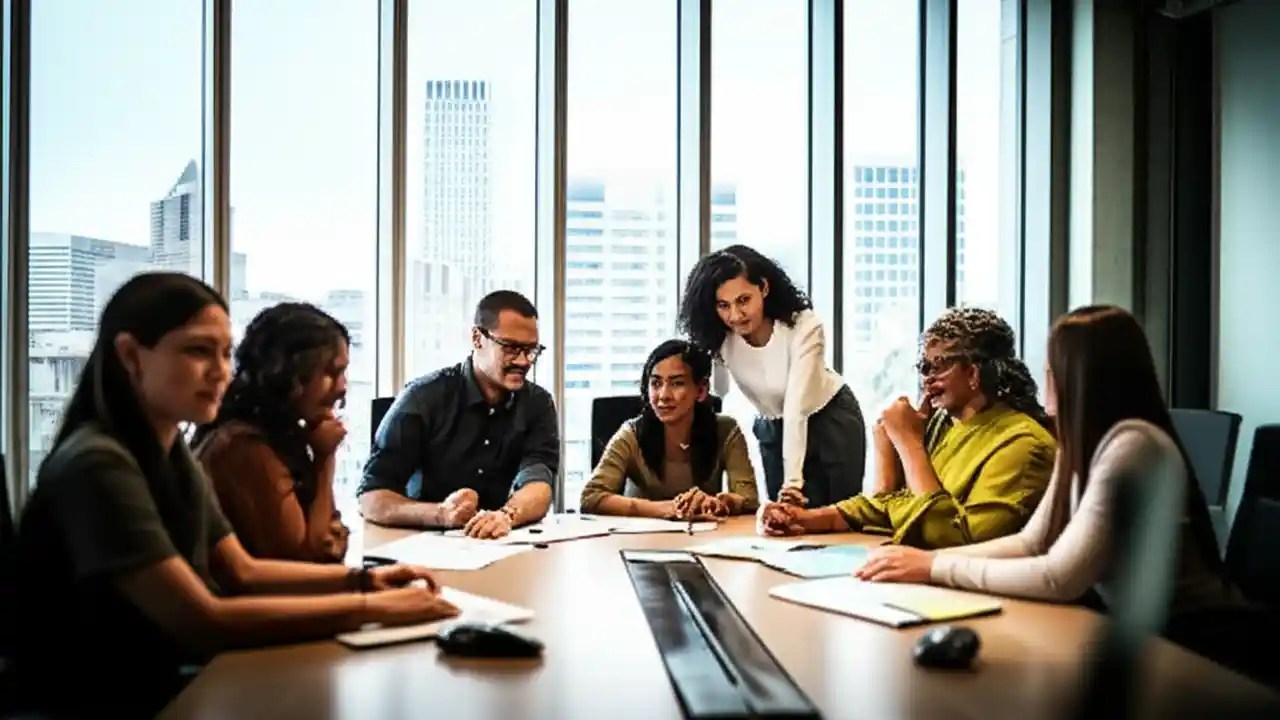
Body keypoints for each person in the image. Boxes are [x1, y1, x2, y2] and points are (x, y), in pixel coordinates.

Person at [0, 273, 456, 716]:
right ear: (131, 356)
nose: (220, 372)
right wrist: (371, 609)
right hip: (103, 699)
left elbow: (242, 570)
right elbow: (203, 622)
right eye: (198, 351)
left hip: (159, 681)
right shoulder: (98, 463)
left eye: (224, 354)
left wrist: (366, 582)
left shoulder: (169, 448)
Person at [855, 306, 1277, 686]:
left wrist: (933, 568)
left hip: (1190, 640)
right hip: (1131, 628)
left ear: (1085, 377)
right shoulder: (1084, 443)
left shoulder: (1133, 447)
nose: (1046, 382)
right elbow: (1033, 543)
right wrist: (930, 562)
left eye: (1054, 372)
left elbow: (1060, 576)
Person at [757, 307, 1056, 549]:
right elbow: (894, 506)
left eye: (937, 366)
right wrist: (806, 519)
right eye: (923, 367)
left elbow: (957, 540)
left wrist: (909, 445)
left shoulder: (1024, 445)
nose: (926, 379)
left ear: (973, 372)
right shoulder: (945, 423)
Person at [678, 244, 866, 508]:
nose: (735, 315)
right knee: (783, 524)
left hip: (830, 421)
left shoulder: (804, 326)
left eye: (743, 300)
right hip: (773, 429)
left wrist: (792, 484)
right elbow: (703, 388)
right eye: (723, 305)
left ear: (764, 288)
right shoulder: (720, 337)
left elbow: (796, 407)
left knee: (835, 521)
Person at [359, 290, 558, 539]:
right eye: (511, 348)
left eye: (531, 350)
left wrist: (506, 515)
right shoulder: (423, 397)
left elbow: (539, 483)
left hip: (498, 541)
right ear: (477, 338)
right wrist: (441, 514)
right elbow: (371, 497)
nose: (524, 361)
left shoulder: (537, 403)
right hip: (422, 541)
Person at [192, 302, 353, 563]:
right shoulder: (244, 447)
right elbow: (310, 559)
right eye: (332, 372)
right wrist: (325, 461)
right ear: (290, 373)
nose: (342, 387)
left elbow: (329, 543)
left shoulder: (282, 434)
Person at [580, 339, 759, 518]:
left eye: (676, 383)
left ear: (701, 389)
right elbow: (591, 497)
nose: (663, 396)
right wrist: (668, 509)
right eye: (656, 383)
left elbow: (748, 499)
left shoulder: (726, 430)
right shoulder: (631, 434)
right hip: (641, 540)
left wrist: (720, 503)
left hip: (703, 540)